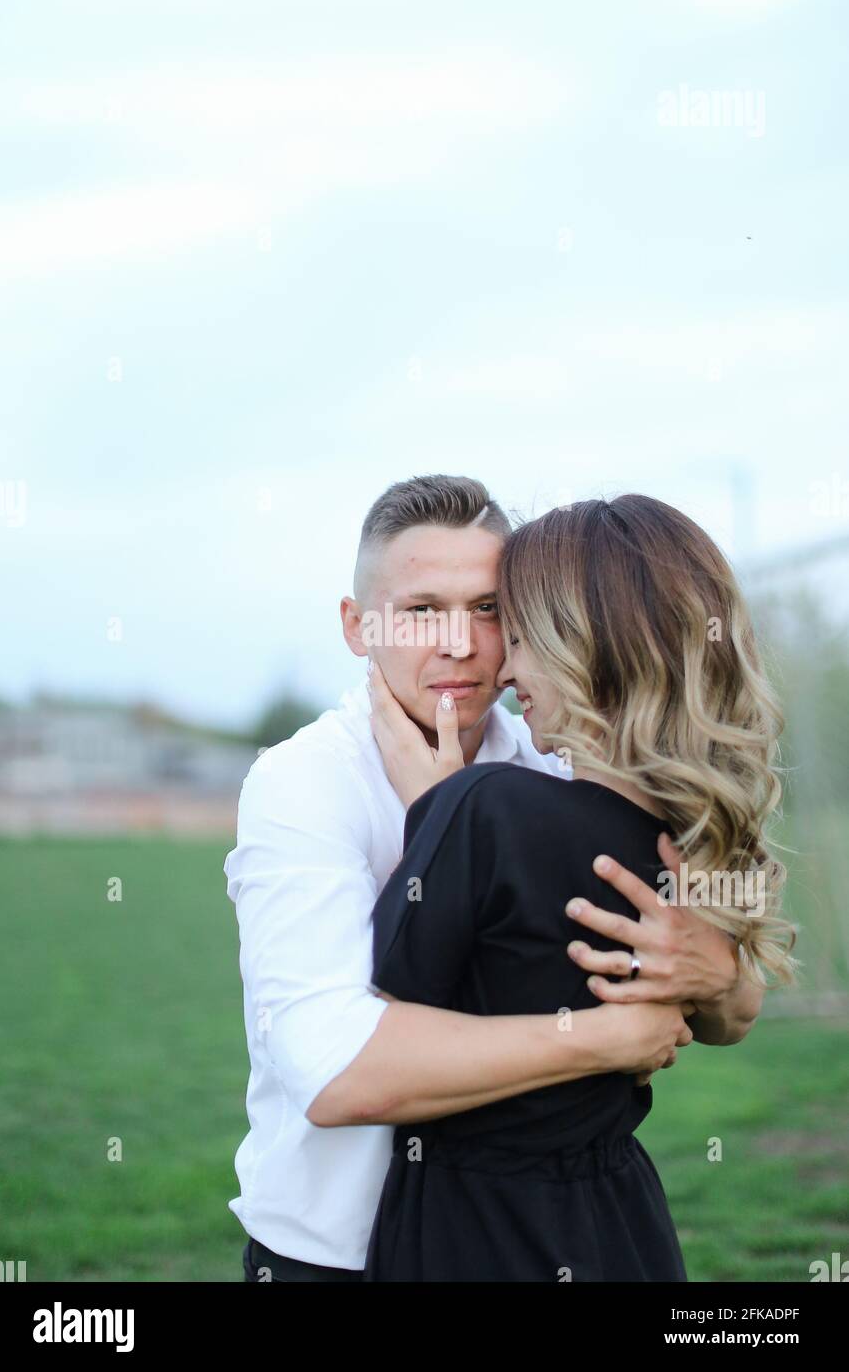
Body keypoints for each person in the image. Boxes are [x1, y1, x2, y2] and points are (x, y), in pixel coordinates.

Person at [227, 476, 752, 1283]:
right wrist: (605, 1039)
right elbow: (335, 1072)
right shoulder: (304, 781)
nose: (462, 644)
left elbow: (734, 1013)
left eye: (486, 609)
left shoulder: (559, 756)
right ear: (357, 626)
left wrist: (714, 973)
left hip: (534, 1237)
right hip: (339, 1253)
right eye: (421, 610)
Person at [361, 494, 798, 1282]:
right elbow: (731, 1018)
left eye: (520, 635)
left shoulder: (484, 804)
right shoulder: (699, 823)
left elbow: (380, 1034)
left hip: (479, 1233)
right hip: (626, 1224)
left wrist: (431, 808)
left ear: (581, 647)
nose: (506, 665)